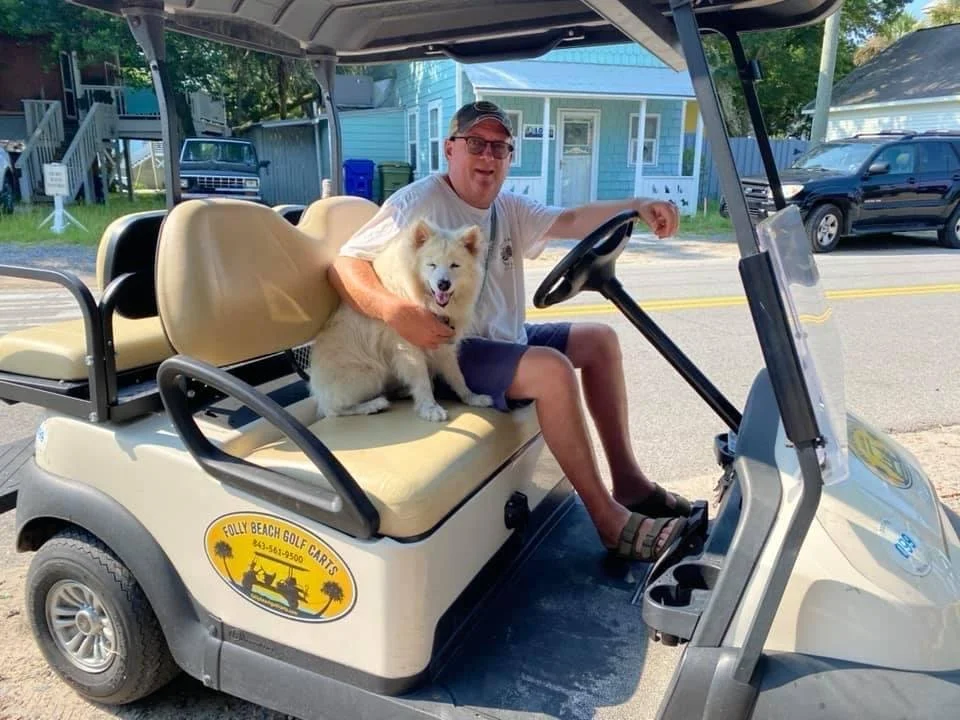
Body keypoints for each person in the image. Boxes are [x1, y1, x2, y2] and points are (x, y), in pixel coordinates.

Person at [329, 100, 691, 562]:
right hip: (450, 349)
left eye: (500, 148)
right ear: (450, 150)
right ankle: (608, 521)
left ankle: (630, 482)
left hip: (503, 339)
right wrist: (394, 311)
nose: (488, 157)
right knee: (553, 371)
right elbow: (345, 263)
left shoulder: (508, 207)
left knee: (600, 340)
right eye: (476, 143)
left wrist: (637, 205)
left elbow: (571, 220)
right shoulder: (418, 202)